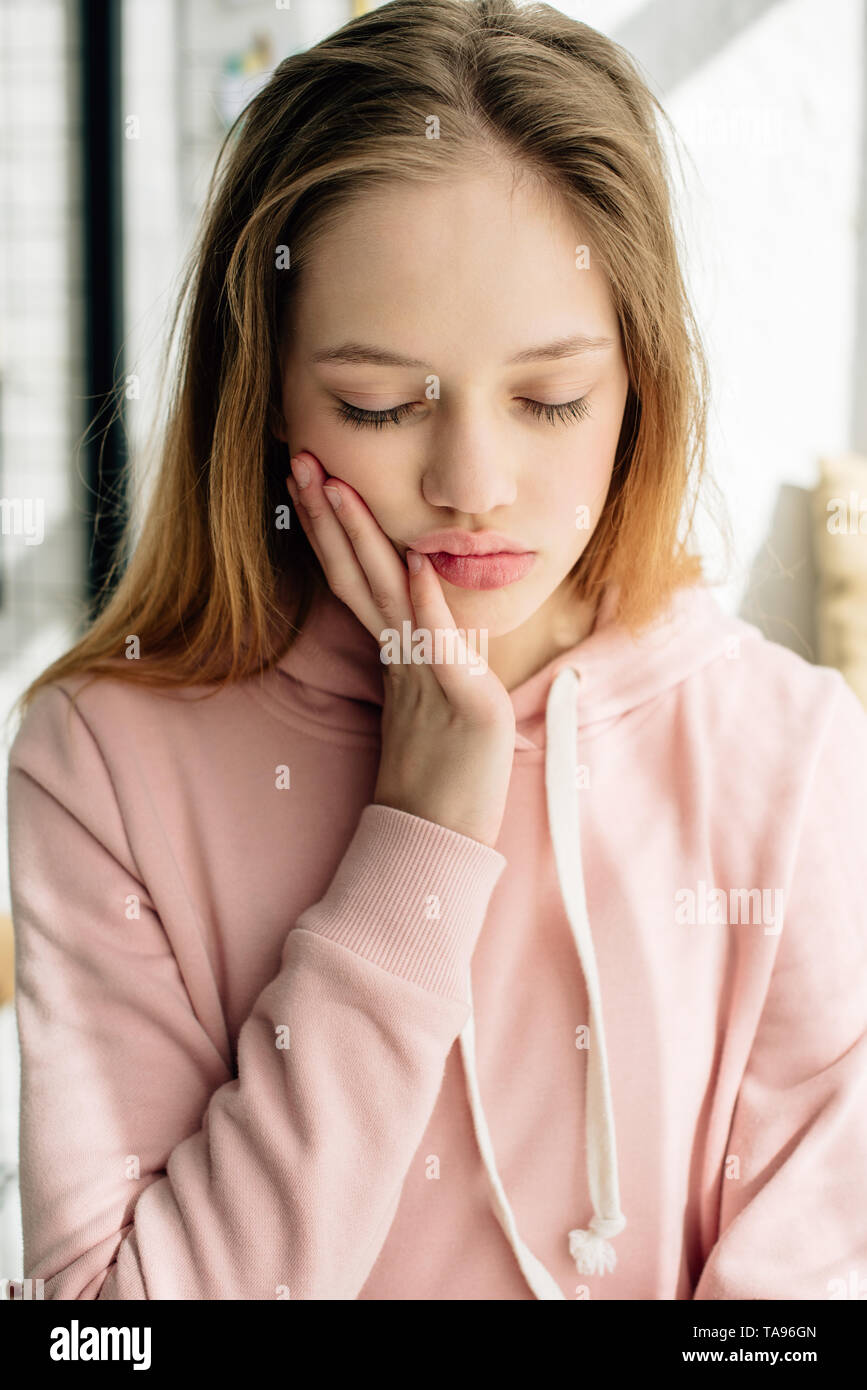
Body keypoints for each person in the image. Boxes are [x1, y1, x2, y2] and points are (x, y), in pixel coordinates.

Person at [7, 0, 867, 1301]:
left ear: (640, 386)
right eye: (380, 403)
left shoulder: (795, 760)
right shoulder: (100, 766)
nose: (473, 483)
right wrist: (416, 839)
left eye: (550, 398)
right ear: (264, 393)